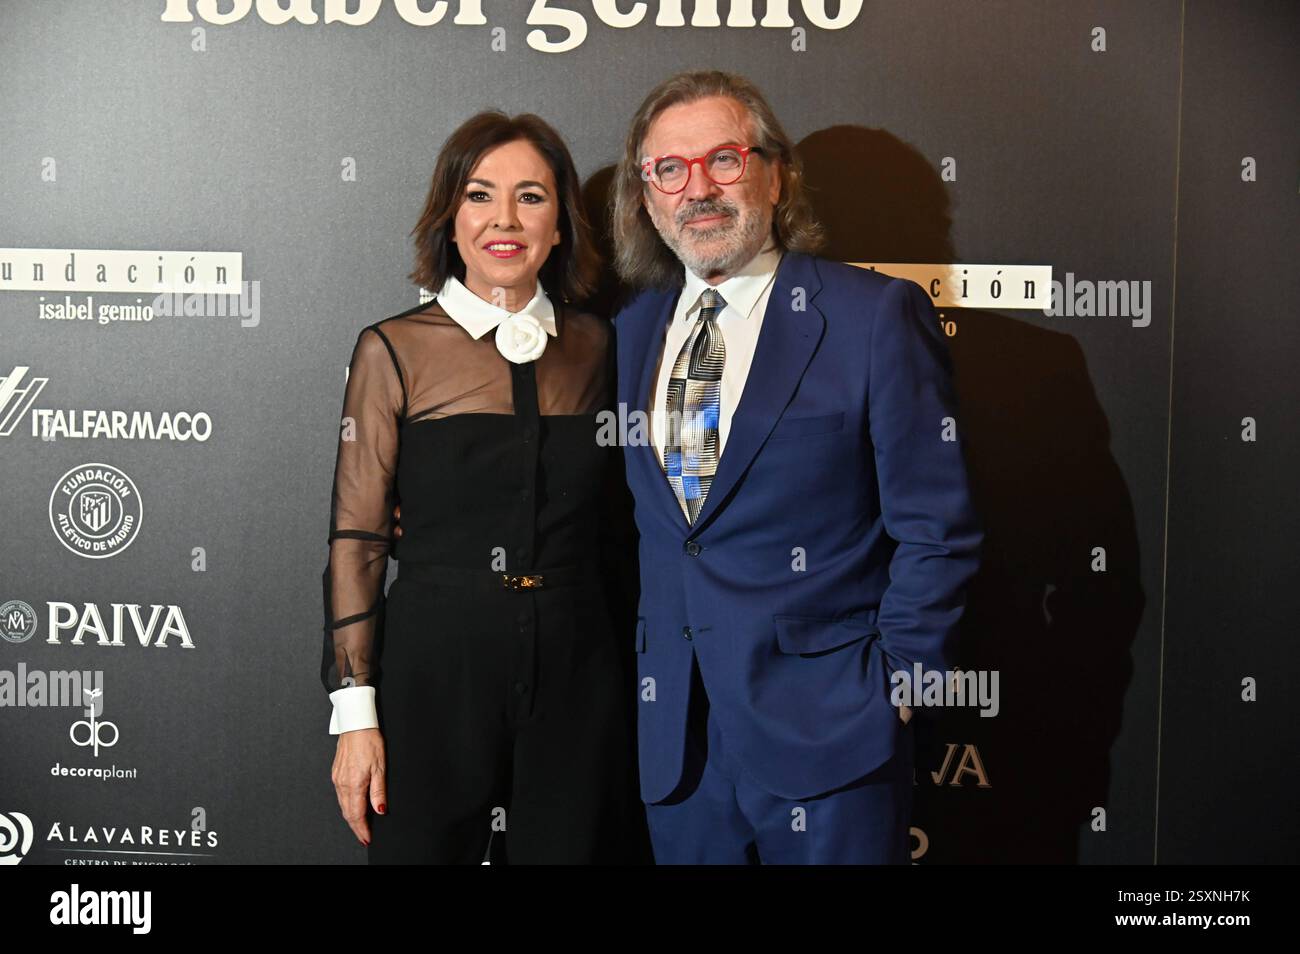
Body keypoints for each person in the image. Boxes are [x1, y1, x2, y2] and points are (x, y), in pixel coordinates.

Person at [606, 70, 985, 863]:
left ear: (777, 176)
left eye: (725, 160)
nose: (697, 189)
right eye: (668, 169)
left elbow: (938, 530)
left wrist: (897, 693)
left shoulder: (871, 316)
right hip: (678, 748)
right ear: (646, 198)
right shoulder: (631, 328)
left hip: (832, 739)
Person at [321, 110, 637, 864]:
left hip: (578, 668)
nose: (504, 219)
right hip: (434, 669)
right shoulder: (393, 350)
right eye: (478, 195)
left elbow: (623, 526)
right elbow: (358, 542)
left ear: (560, 224)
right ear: (449, 220)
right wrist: (355, 711)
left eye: (531, 196)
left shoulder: (599, 346)